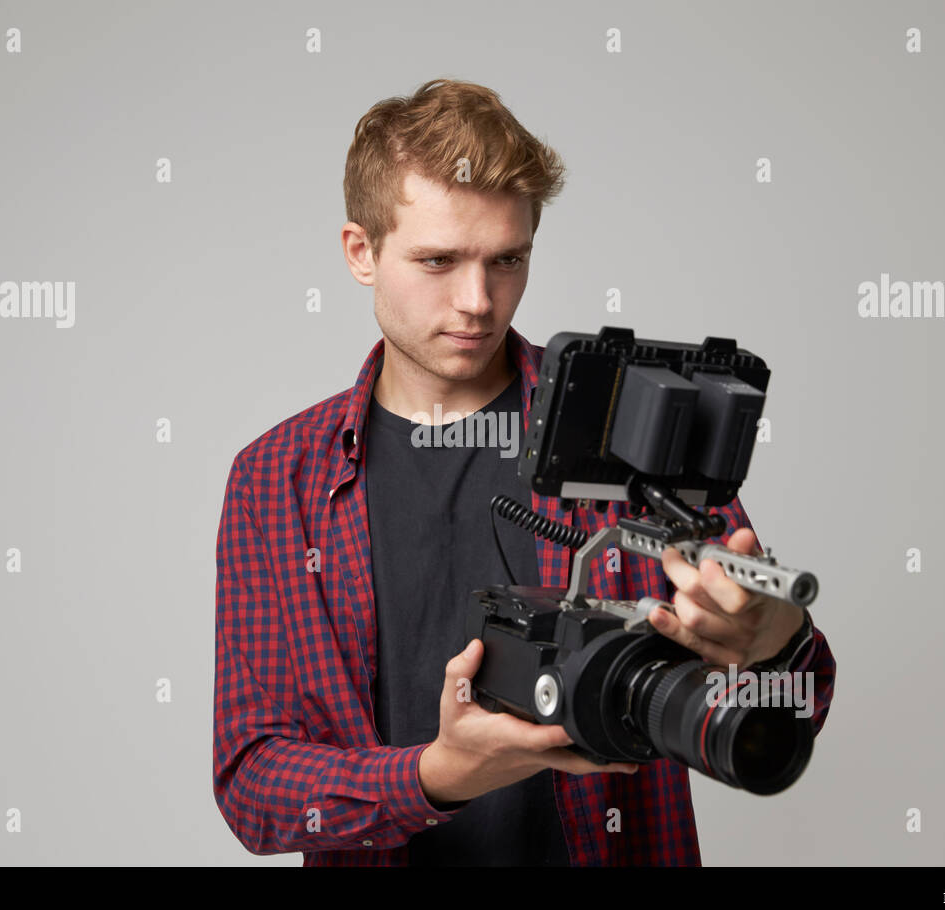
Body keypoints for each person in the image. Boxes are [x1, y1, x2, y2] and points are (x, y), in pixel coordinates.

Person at [213, 78, 836, 865]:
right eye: (438, 260)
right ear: (361, 253)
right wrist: (435, 778)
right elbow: (251, 782)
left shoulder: (631, 434)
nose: (478, 300)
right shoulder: (276, 481)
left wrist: (779, 646)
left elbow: (791, 711)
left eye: (507, 259)